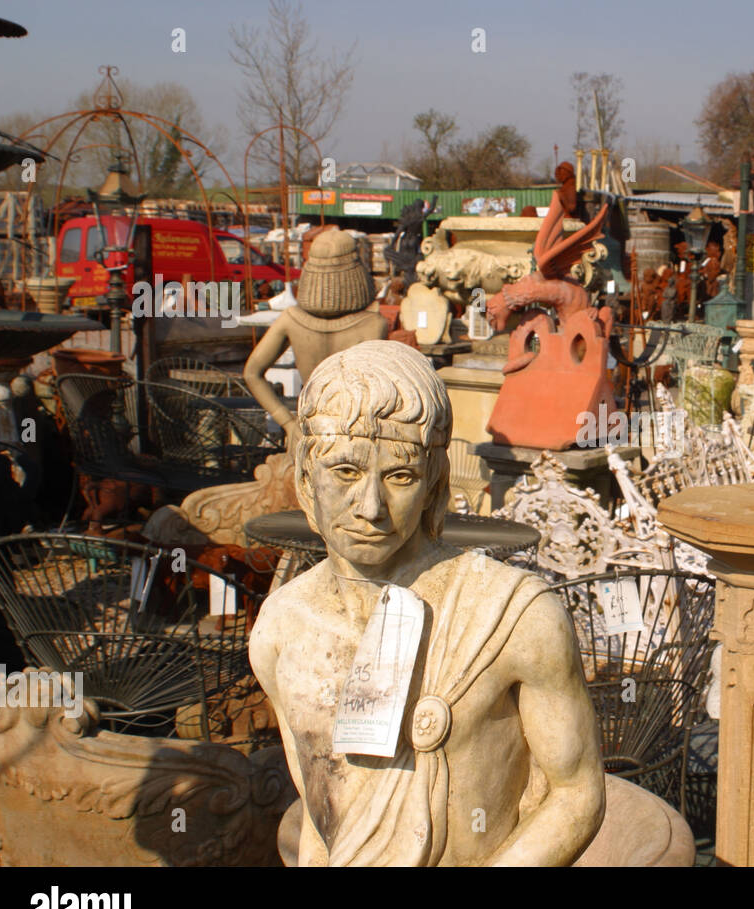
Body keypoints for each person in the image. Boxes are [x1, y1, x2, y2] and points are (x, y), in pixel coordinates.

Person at [249, 340, 605, 865]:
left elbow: (576, 793)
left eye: (400, 477)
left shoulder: (514, 616)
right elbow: (322, 815)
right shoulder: (279, 630)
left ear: (434, 483)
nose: (370, 507)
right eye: (345, 472)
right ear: (306, 476)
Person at [243, 229, 387, 448]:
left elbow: (251, 373)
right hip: (354, 436)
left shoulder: (290, 319)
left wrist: (287, 422)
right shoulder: (374, 324)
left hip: (307, 429)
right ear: (357, 273)